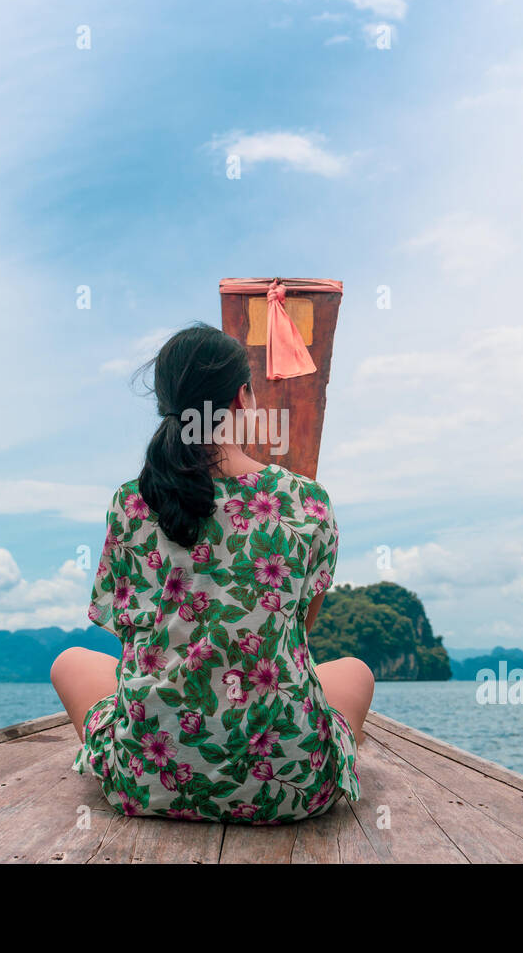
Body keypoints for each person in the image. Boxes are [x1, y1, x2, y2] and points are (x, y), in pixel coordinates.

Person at [51, 324, 374, 823]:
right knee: (355, 672)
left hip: (146, 777)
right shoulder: (307, 501)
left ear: (166, 404)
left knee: (71, 661)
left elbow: (130, 636)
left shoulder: (131, 502)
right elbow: (300, 628)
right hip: (293, 788)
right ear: (243, 398)